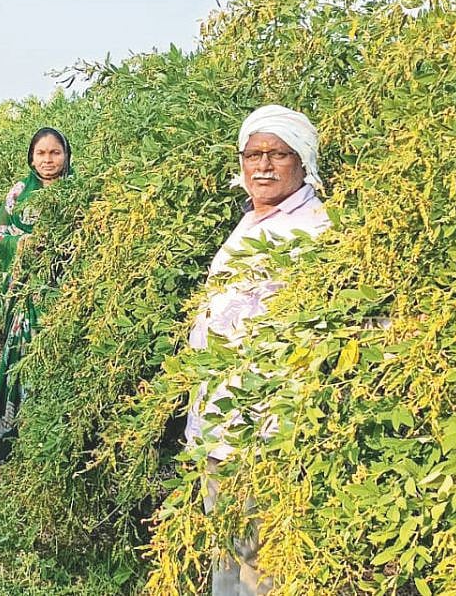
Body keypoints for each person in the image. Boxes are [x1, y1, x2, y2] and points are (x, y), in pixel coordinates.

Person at [183, 105, 331, 595]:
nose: (263, 166)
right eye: (254, 154)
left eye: (277, 155)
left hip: (266, 428)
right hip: (223, 422)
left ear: (302, 161)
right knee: (228, 551)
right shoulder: (252, 220)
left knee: (262, 563)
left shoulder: (313, 227)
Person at [0, 127, 72, 466]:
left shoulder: (78, 193)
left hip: (64, 300)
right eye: (41, 153)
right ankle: (12, 444)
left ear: (66, 155)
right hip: (25, 298)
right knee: (21, 365)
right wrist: (23, 246)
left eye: (54, 152)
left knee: (58, 366)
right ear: (31, 157)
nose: (48, 160)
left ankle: (51, 448)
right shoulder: (18, 193)